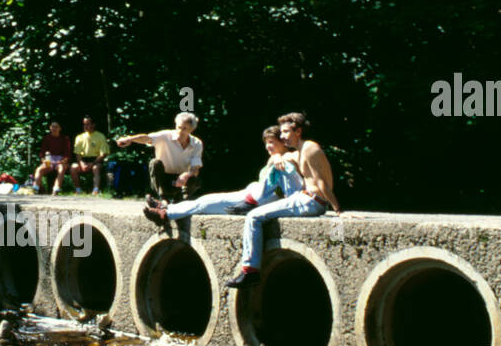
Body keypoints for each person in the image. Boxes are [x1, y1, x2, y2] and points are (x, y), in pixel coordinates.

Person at [225, 112, 342, 290]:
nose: (282, 136)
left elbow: (321, 183)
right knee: (277, 171)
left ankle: (250, 271)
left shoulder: (311, 148)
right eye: (281, 132)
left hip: (311, 201)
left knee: (253, 217)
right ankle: (253, 200)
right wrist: (278, 157)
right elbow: (282, 159)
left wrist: (338, 210)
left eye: (286, 132)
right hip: (305, 198)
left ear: (298, 131)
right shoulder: (300, 151)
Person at [142, 127, 299, 226]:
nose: (267, 146)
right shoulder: (275, 157)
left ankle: (166, 214)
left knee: (205, 204)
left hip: (255, 201)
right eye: (266, 142)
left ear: (282, 143)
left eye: (271, 142)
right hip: (251, 194)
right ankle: (166, 207)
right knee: (205, 200)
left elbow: (290, 185)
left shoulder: (287, 159)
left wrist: (281, 158)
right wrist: (277, 157)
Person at [116, 112, 202, 201]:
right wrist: (130, 139)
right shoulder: (165, 135)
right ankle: (164, 199)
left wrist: (187, 175)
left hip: (182, 180)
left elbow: (195, 168)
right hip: (163, 178)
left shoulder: (197, 143)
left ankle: (183, 200)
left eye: (184, 129)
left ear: (191, 129)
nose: (180, 131)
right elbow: (147, 138)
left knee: (194, 179)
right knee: (154, 163)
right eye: (179, 127)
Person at [71, 116, 110, 195]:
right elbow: (77, 153)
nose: (85, 126)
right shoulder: (79, 137)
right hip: (83, 160)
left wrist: (92, 163)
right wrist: (82, 164)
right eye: (84, 124)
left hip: (96, 160)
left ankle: (96, 190)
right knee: (73, 167)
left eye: (88, 124)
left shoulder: (100, 136)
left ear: (93, 125)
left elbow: (103, 154)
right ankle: (78, 189)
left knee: (96, 168)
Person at [33, 120, 72, 194]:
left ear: (60, 128)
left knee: (61, 168)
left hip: (61, 159)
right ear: (50, 128)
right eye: (53, 127)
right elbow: (42, 153)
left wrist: (62, 161)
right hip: (49, 159)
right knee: (39, 169)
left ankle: (56, 189)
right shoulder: (47, 138)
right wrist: (43, 160)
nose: (54, 129)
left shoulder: (65, 138)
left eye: (56, 127)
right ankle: (36, 188)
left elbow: (67, 154)